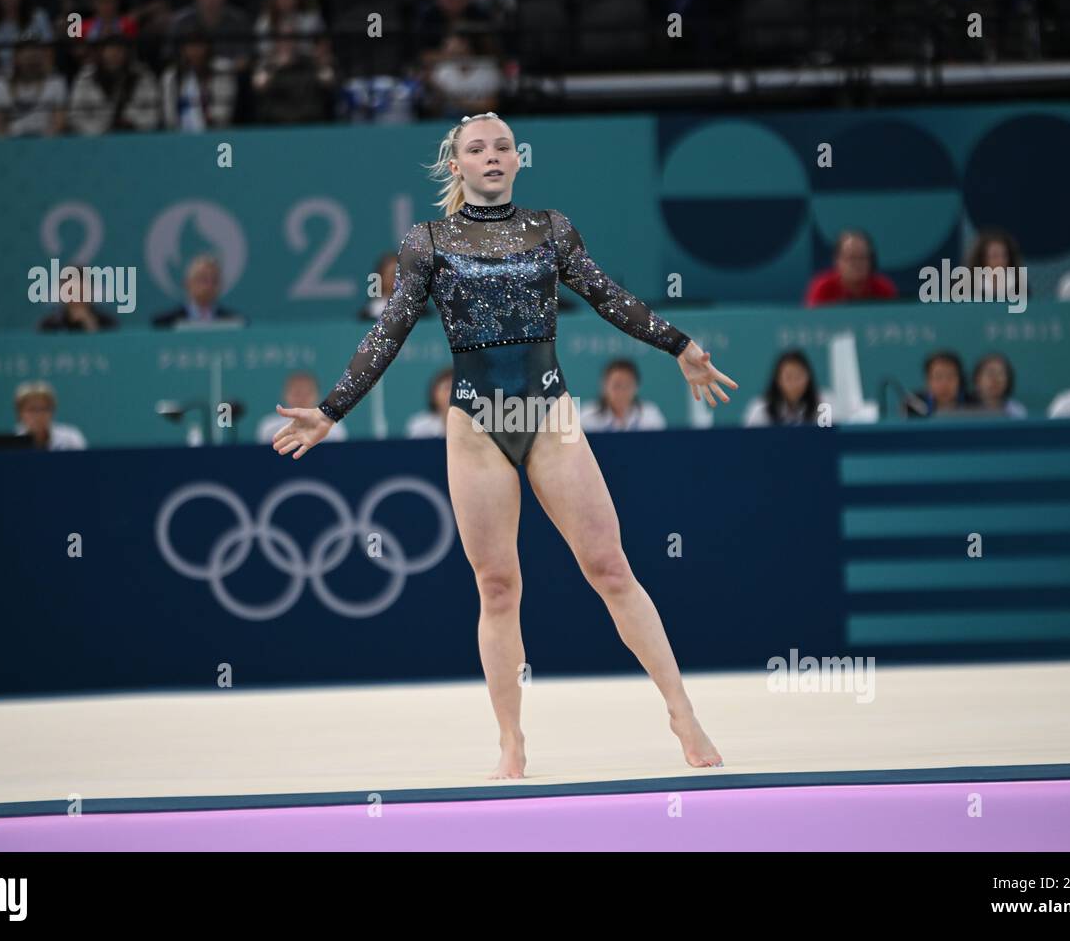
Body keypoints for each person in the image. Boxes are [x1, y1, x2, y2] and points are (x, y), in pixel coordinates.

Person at [271, 112, 736, 778]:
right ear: (456, 165)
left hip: (550, 415)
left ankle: (681, 710)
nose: (491, 155)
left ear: (518, 159)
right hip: (475, 424)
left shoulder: (551, 229)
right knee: (497, 586)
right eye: (475, 148)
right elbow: (389, 332)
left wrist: (681, 345)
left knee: (609, 567)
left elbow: (607, 296)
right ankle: (511, 741)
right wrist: (331, 409)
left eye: (501, 146)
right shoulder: (428, 241)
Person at [804, 230, 898, 307]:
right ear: (837, 261)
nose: (857, 264)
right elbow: (811, 325)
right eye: (851, 258)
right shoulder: (823, 288)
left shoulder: (883, 288)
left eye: (862, 258)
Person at [152, 254, 245, 328]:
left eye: (214, 280)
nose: (209, 285)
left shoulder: (235, 323)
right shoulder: (165, 323)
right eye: (203, 279)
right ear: (187, 283)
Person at [256, 372, 345, 444]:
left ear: (318, 396)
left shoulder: (333, 428)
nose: (302, 399)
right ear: (285, 395)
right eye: (297, 393)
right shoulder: (269, 427)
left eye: (308, 393)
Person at [579, 359, 666, 432]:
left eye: (627, 385)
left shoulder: (650, 415)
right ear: (604, 386)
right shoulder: (586, 416)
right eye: (616, 385)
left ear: (636, 387)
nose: (621, 391)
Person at [742, 350, 825, 426]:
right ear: (778, 380)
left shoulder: (823, 405)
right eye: (788, 377)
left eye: (799, 377)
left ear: (808, 378)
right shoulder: (760, 409)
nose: (794, 383)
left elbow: (829, 437)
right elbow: (748, 440)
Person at [13, 380, 87, 449]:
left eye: (44, 409)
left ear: (53, 411)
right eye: (32, 409)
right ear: (20, 413)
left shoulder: (71, 438)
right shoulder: (12, 442)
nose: (38, 415)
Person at [905, 350, 967, 418]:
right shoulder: (914, 405)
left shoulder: (973, 402)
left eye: (950, 376)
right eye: (938, 377)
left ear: (959, 380)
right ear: (928, 381)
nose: (944, 384)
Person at [969, 352, 1026, 418]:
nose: (995, 379)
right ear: (977, 379)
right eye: (990, 373)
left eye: (1000, 373)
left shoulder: (1017, 411)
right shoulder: (963, 408)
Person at [405, 368, 453, 438]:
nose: (452, 394)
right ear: (434, 394)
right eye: (447, 388)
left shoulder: (473, 423)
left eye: (456, 389)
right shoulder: (420, 425)